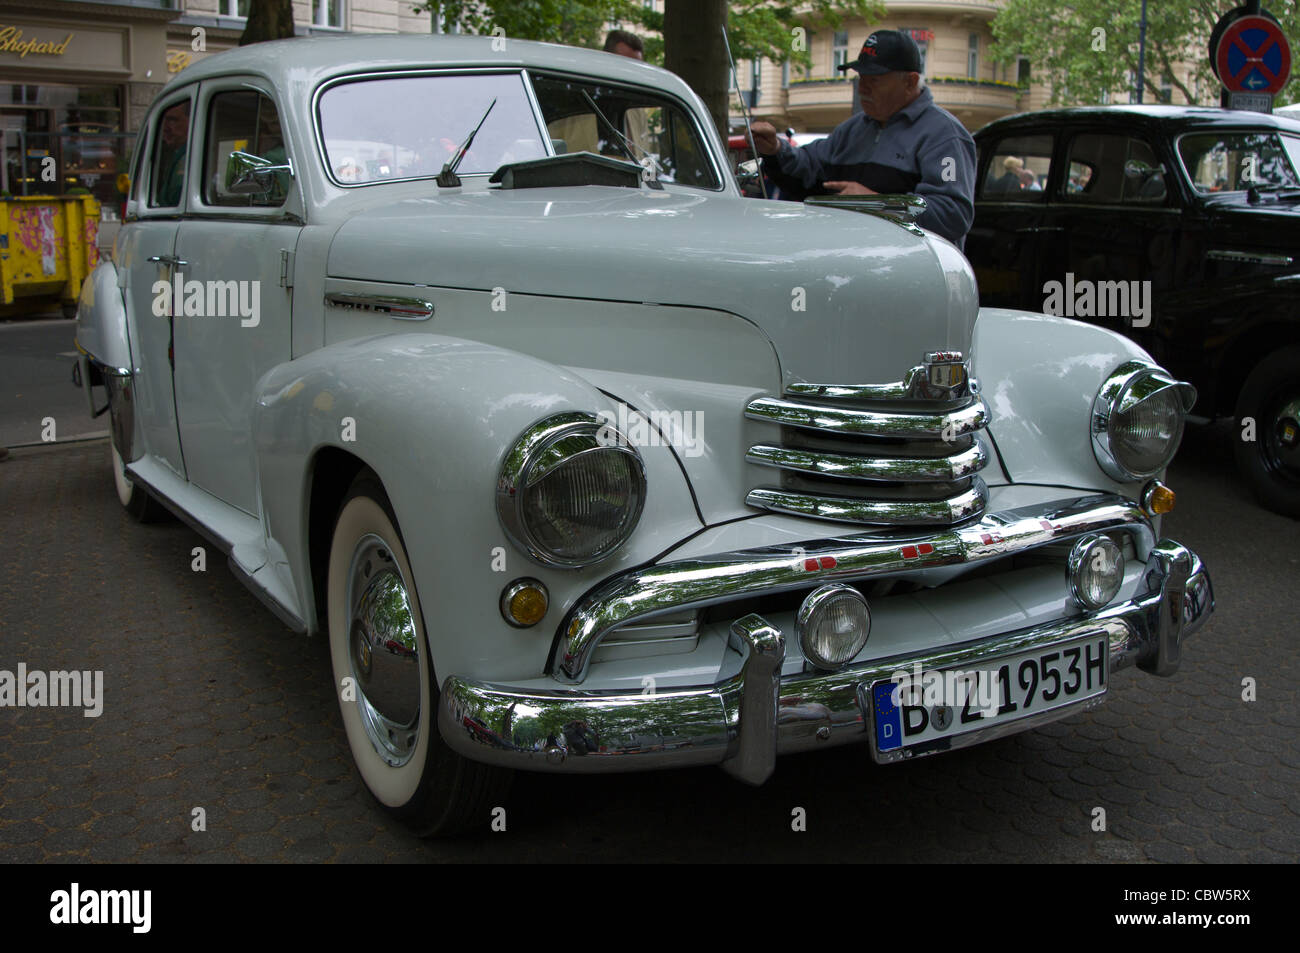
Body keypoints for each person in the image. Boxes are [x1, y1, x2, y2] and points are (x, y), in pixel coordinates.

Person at [751, 30, 977, 248]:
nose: (863, 88)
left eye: (875, 79)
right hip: (854, 267)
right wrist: (775, 149)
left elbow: (953, 213)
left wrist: (878, 203)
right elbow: (809, 166)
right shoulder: (852, 130)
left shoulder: (945, 136)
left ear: (910, 82)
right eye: (861, 77)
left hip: (913, 275)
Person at [155, 100, 189, 206]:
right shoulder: (173, 155)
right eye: (163, 122)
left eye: (172, 120)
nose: (165, 128)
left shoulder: (188, 157)